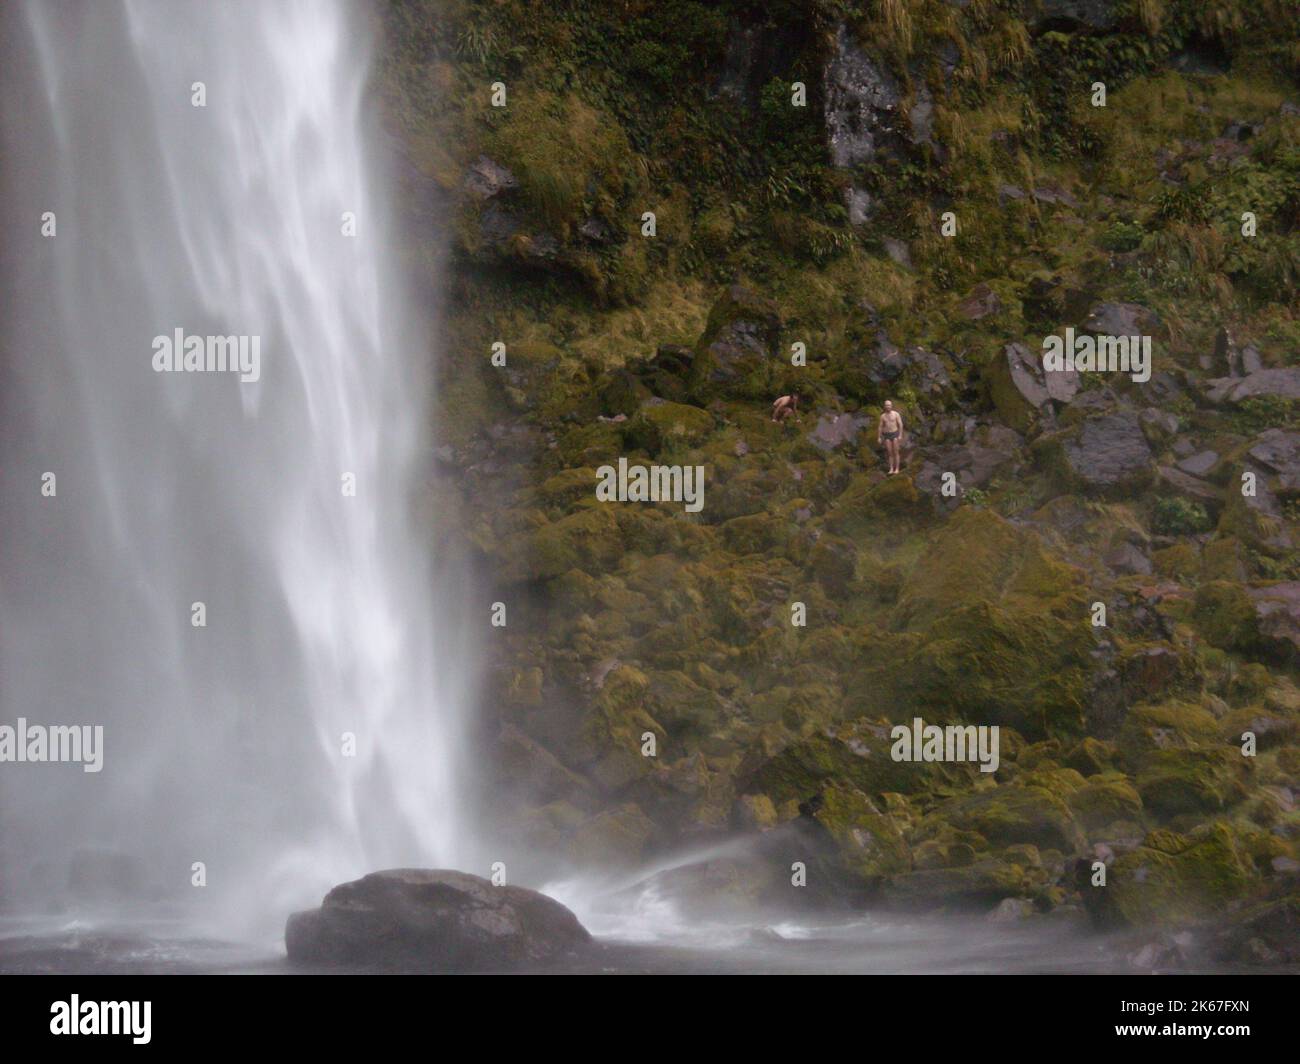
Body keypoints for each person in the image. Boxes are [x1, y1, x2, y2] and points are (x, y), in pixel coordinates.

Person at [877, 400, 904, 475]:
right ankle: (891, 468)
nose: (888, 406)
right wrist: (879, 437)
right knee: (889, 453)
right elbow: (880, 427)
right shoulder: (882, 416)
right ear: (884, 406)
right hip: (887, 435)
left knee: (896, 452)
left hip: (895, 434)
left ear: (891, 406)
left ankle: (897, 468)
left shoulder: (896, 414)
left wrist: (900, 435)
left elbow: (900, 424)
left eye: (889, 405)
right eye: (886, 405)